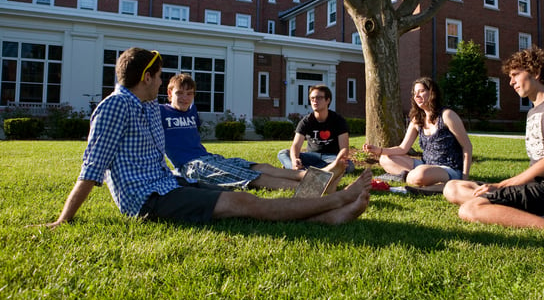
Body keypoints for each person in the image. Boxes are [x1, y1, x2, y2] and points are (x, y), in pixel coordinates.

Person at [42, 48, 371, 228]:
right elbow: (92, 169)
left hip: (169, 184)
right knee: (247, 199)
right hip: (148, 199)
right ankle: (335, 200)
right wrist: (62, 219)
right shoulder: (116, 107)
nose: (162, 84)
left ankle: (329, 214)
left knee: (266, 178)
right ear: (146, 77)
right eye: (159, 79)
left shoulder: (147, 106)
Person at [442, 46, 544, 247]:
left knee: (469, 209)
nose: (511, 82)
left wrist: (503, 185)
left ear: (536, 73)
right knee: (452, 188)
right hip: (537, 187)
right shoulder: (534, 111)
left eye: (515, 75)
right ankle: (540, 215)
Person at [160, 73, 346, 192]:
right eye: (180, 93)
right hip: (192, 166)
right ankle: (314, 189)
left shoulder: (192, 111)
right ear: (169, 93)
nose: (185, 98)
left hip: (210, 157)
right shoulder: (160, 111)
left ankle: (321, 176)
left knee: (257, 166)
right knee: (252, 177)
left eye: (189, 93)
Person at [362, 77, 472, 188]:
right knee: (385, 159)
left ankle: (407, 176)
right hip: (425, 165)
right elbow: (403, 148)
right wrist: (379, 150)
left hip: (448, 169)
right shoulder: (417, 119)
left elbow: (467, 146)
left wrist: (464, 178)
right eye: (415, 93)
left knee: (421, 173)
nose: (417, 96)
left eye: (421, 91)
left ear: (432, 92)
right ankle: (413, 177)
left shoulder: (447, 115)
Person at [277, 84, 355, 173]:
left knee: (349, 165)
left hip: (331, 157)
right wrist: (295, 160)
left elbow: (344, 148)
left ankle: (305, 170)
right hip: (312, 156)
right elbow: (296, 145)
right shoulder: (306, 121)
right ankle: (304, 169)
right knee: (283, 153)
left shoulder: (338, 120)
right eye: (312, 98)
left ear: (328, 100)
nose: (315, 101)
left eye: (319, 98)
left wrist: (338, 161)